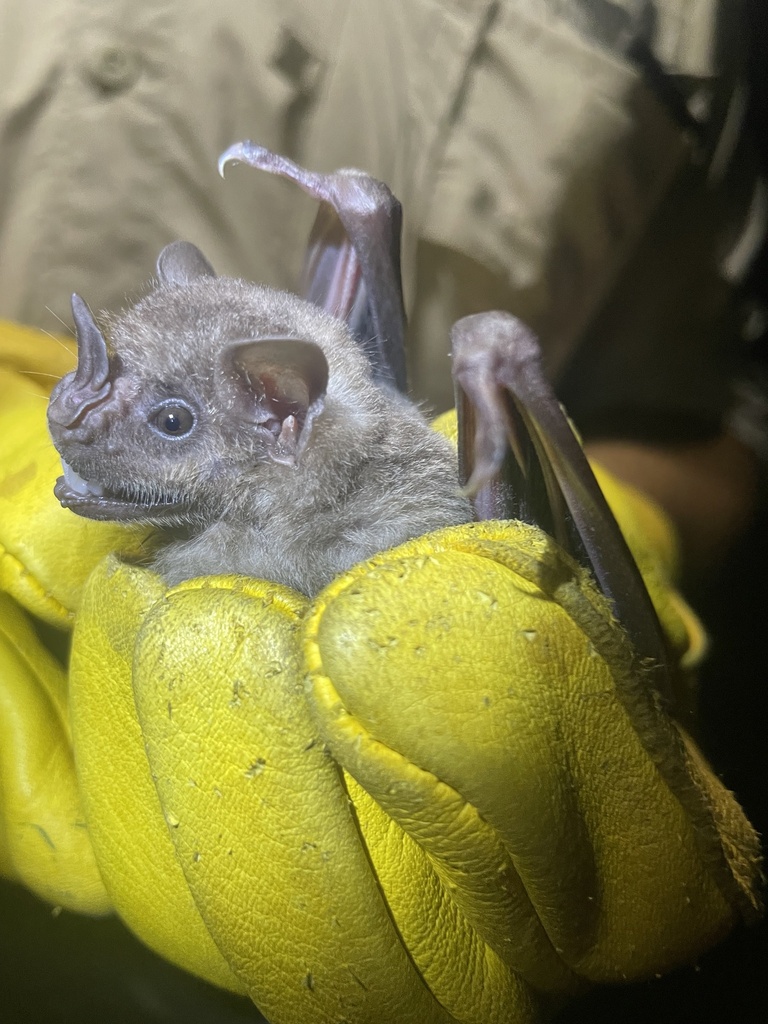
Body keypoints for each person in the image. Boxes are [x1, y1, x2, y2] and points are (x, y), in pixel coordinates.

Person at [0, 0, 763, 576]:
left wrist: (639, 524)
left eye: (170, 420)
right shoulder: (253, 415)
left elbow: (733, 413)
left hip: (397, 557)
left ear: (280, 411)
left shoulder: (713, 23)